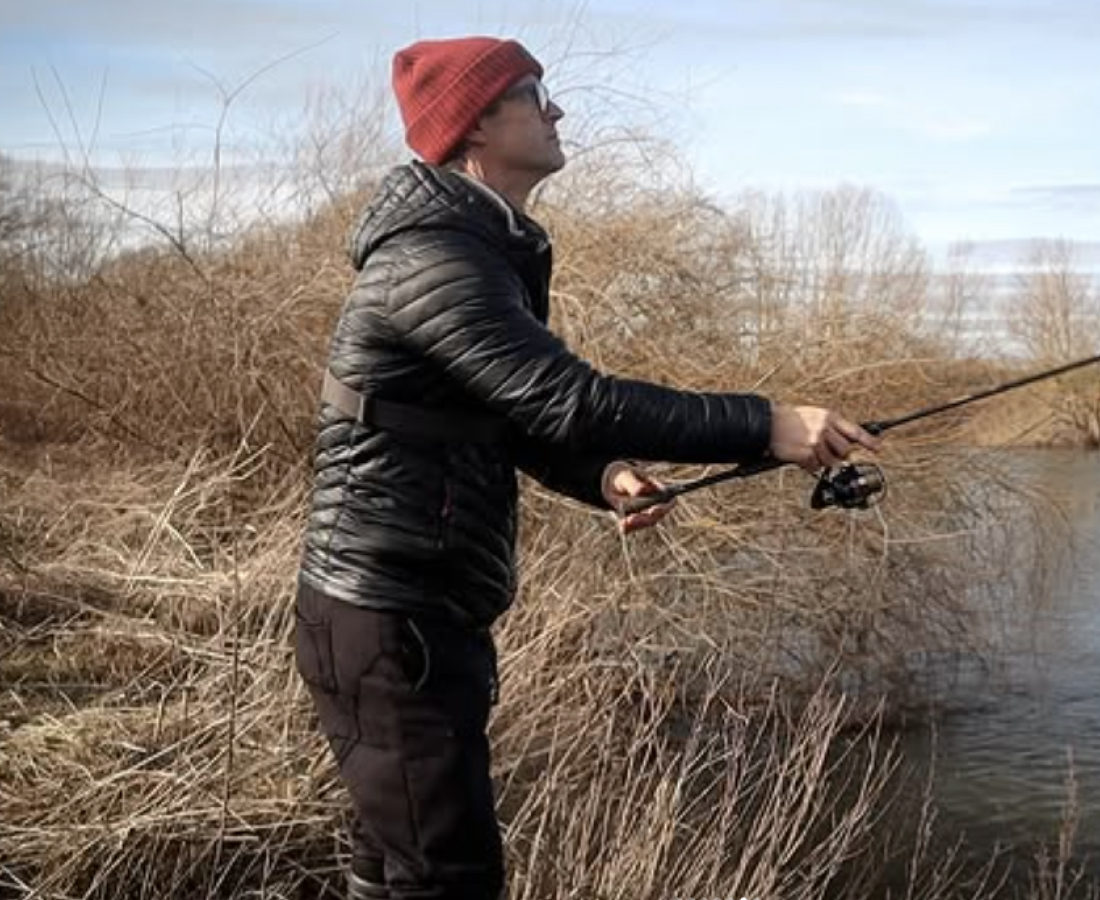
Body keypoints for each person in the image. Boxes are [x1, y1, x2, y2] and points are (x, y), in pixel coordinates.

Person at [291, 35, 881, 900]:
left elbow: (511, 415)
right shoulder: (435, 256)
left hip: (401, 611)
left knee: (395, 867)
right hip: (388, 617)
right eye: (534, 93)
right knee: (442, 877)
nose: (558, 110)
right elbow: (574, 398)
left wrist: (601, 476)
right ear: (475, 125)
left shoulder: (474, 245)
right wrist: (769, 424)